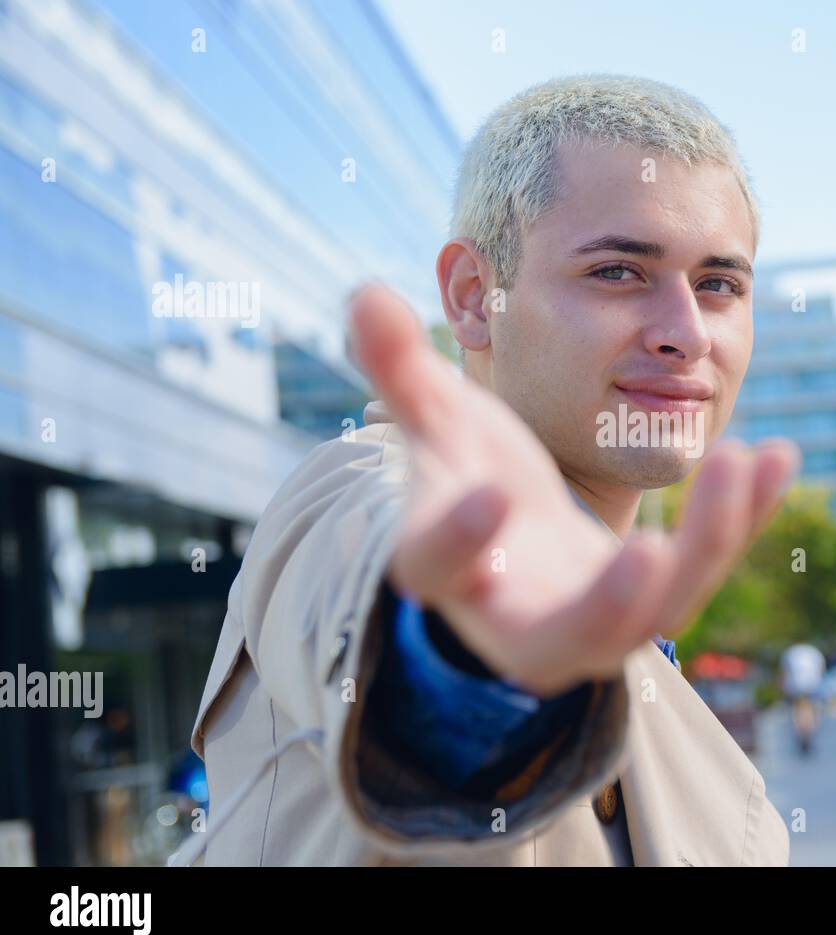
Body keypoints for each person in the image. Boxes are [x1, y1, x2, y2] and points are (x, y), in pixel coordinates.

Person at [181, 76, 800, 867]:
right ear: (476, 299)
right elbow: (372, 606)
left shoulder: (633, 631)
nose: (686, 332)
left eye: (718, 284)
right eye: (618, 271)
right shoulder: (367, 484)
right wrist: (467, 663)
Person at [779, 642, 826, 756]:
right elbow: (821, 670)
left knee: (797, 710)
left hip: (795, 687)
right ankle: (811, 728)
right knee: (812, 709)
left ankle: (801, 730)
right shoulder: (814, 651)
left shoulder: (789, 652)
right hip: (813, 685)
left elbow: (784, 672)